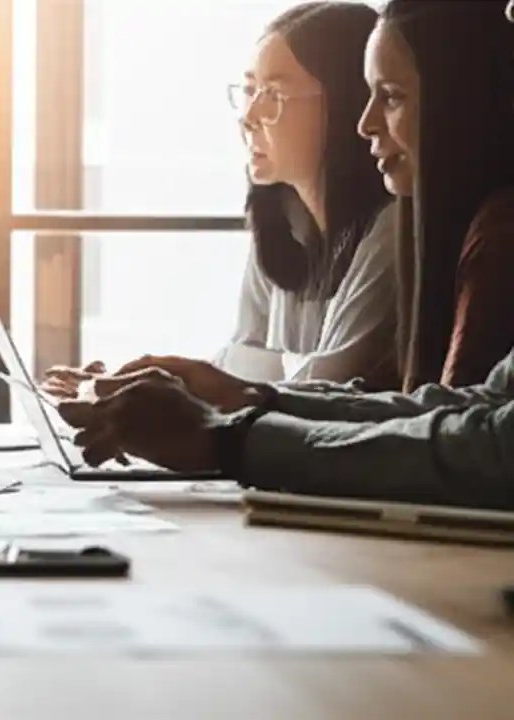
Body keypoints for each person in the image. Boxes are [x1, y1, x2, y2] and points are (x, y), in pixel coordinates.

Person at [57, 0, 514, 511]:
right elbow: (477, 408)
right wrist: (244, 397)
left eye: (390, 96)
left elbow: (483, 446)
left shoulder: (475, 233)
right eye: (249, 91)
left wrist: (228, 433)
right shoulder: (287, 222)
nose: (364, 124)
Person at [45, 2, 394, 398]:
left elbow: (326, 390)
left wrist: (203, 380)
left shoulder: (391, 231)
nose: (250, 115)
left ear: (346, 100)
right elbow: (239, 364)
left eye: (274, 94)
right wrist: (130, 385)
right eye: (249, 91)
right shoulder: (284, 219)